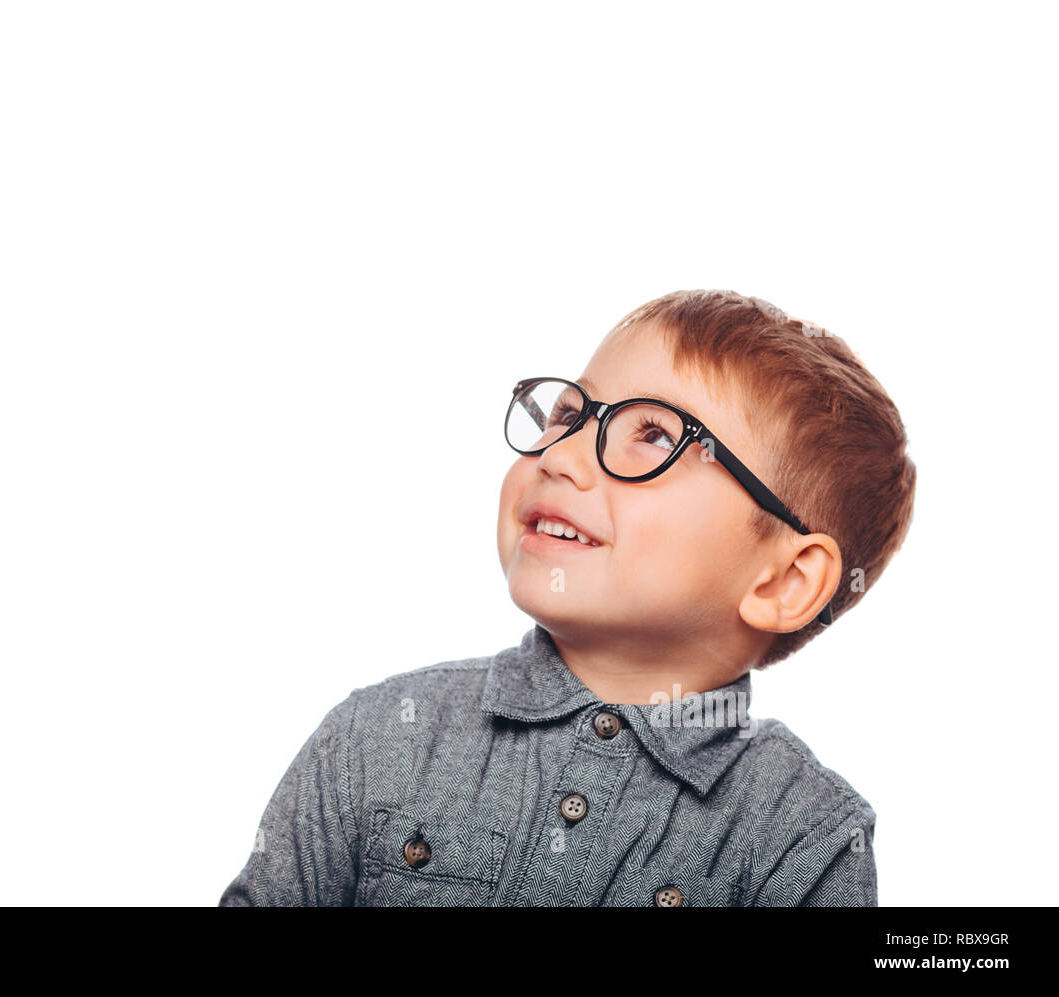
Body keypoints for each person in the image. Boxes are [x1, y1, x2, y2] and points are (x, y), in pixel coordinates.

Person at [218, 289, 917, 906]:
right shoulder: (376, 738)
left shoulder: (805, 837)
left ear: (783, 581)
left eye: (653, 434)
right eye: (568, 413)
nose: (559, 453)